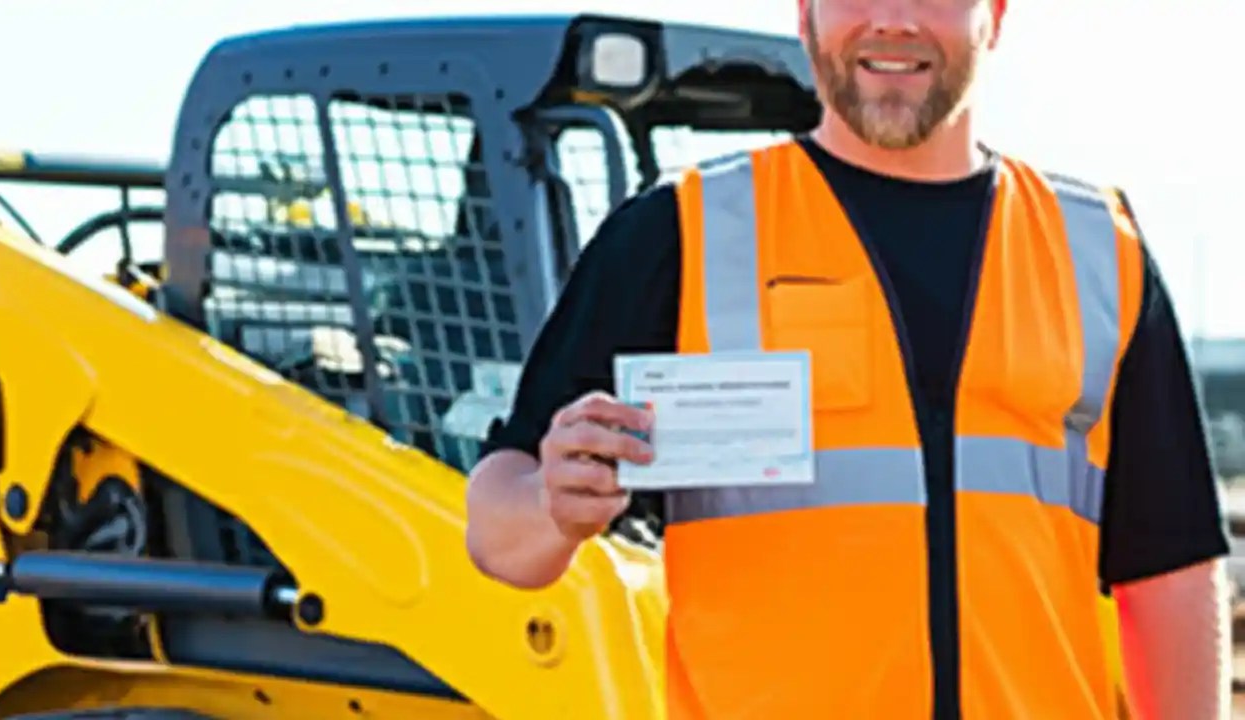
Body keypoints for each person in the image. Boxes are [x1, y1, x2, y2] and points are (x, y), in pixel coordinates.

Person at [465, 0, 1232, 717]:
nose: (892, 21)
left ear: (994, 15)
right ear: (805, 14)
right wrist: (547, 506)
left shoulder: (1099, 250)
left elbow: (1170, 565)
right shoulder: (680, 232)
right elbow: (499, 535)